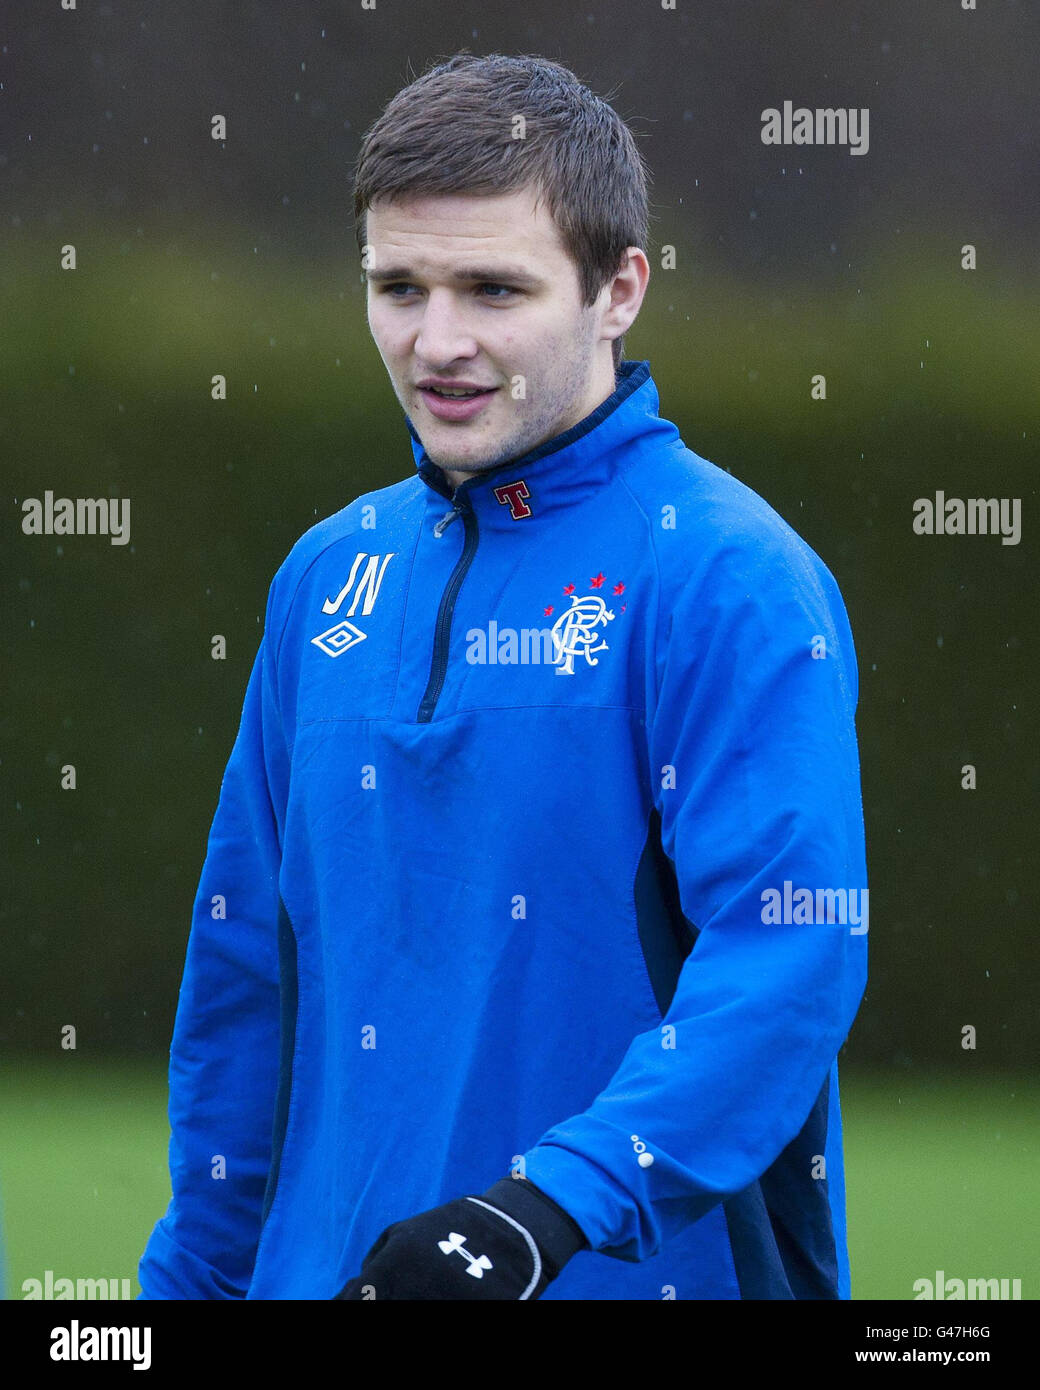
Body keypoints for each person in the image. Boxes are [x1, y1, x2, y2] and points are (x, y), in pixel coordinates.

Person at [138, 51, 868, 1301]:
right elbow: (246, 983)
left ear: (618, 288)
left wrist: (539, 1215)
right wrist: (188, 1289)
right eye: (398, 286)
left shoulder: (728, 576)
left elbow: (785, 958)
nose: (437, 341)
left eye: (491, 287)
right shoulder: (326, 576)